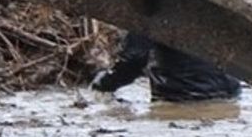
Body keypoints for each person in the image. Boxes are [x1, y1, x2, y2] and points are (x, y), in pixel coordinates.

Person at [94, 31, 243, 102]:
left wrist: (103, 84)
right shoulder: (213, 1)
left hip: (182, 98)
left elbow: (134, 59)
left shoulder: (151, 7)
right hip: (231, 95)